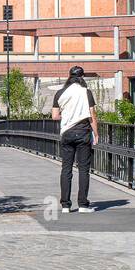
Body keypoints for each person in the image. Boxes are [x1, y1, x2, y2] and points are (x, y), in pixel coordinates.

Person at [51, 66, 99, 213]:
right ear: (82, 77)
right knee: (84, 170)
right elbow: (92, 115)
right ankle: (83, 205)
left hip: (66, 133)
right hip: (83, 132)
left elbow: (54, 116)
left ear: (69, 77)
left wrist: (66, 117)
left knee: (66, 169)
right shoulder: (87, 93)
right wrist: (96, 134)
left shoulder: (60, 93)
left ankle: (65, 205)